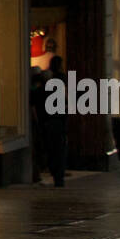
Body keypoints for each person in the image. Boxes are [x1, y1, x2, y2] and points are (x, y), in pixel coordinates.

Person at [41, 56, 69, 187]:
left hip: (50, 119)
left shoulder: (48, 82)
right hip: (58, 119)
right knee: (59, 148)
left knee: (52, 148)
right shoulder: (62, 79)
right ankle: (59, 176)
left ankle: (55, 173)